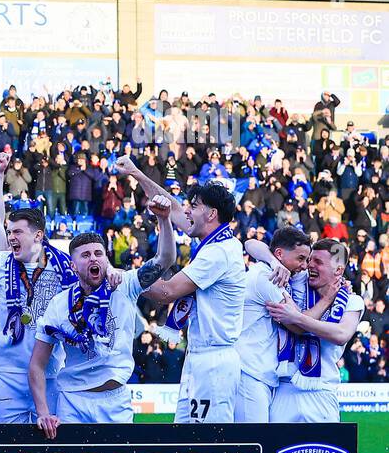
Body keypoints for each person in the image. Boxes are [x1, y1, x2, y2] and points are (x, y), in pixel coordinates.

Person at [28, 194, 176, 433]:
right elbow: (37, 364)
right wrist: (43, 412)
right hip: (72, 402)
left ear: (107, 259)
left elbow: (165, 259)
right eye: (85, 255)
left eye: (98, 253)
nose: (93, 258)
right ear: (73, 266)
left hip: (115, 401)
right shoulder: (59, 304)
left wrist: (164, 220)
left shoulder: (125, 285)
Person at [0, 151, 77, 422]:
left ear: (38, 235)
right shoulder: (2, 262)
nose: (10, 237)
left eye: (17, 232)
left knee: (49, 442)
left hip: (50, 372)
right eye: (9, 232)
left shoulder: (64, 267)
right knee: (4, 443)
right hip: (7, 373)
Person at [136, 177, 246, 424]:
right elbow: (173, 208)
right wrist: (137, 174)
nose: (186, 211)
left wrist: (124, 278)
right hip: (199, 357)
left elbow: (167, 292)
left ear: (211, 214)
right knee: (184, 439)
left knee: (209, 441)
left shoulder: (218, 252)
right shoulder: (217, 244)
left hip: (213, 362)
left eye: (194, 206)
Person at [268, 240, 364, 424]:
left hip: (322, 392)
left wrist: (297, 317)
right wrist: (272, 261)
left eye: (318, 262)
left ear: (338, 270)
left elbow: (340, 335)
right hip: (284, 389)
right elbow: (253, 246)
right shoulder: (295, 286)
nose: (310, 265)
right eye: (310, 260)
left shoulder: (352, 301)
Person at [234, 227, 312, 423]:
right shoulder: (268, 278)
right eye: (300, 258)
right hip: (250, 371)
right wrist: (327, 300)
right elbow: (299, 325)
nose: (304, 266)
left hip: (260, 371)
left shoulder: (272, 270)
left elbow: (251, 244)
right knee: (252, 439)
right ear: (279, 254)